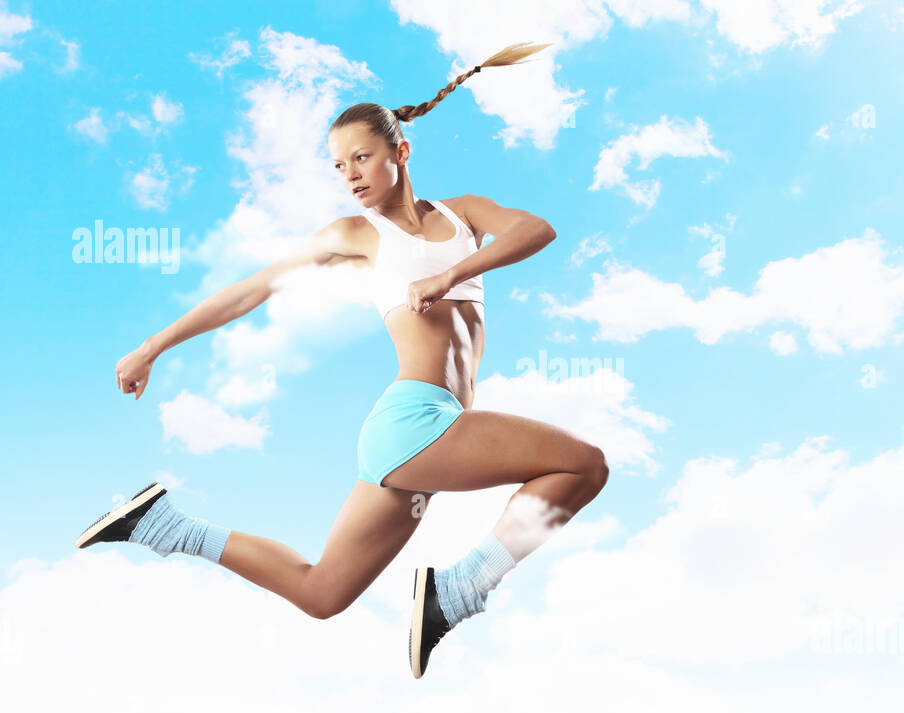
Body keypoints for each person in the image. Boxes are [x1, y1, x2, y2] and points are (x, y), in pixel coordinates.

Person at [75, 42, 609, 679]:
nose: (351, 174)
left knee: (322, 593)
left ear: (399, 153)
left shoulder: (464, 214)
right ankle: (461, 591)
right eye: (338, 166)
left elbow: (536, 229)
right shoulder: (356, 235)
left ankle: (166, 526)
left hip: (434, 433)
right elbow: (251, 289)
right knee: (582, 465)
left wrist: (451, 275)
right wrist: (152, 345)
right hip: (416, 420)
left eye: (361, 157)